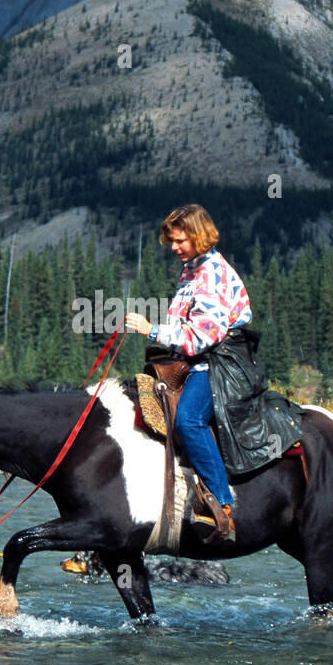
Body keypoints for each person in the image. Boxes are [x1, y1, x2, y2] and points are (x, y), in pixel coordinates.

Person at [124, 204, 250, 542]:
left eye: (180, 241)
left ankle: (222, 505)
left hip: (219, 365)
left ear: (198, 235)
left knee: (189, 419)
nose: (175, 247)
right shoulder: (191, 270)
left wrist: (152, 331)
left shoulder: (210, 274)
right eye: (172, 241)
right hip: (196, 361)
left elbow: (201, 337)